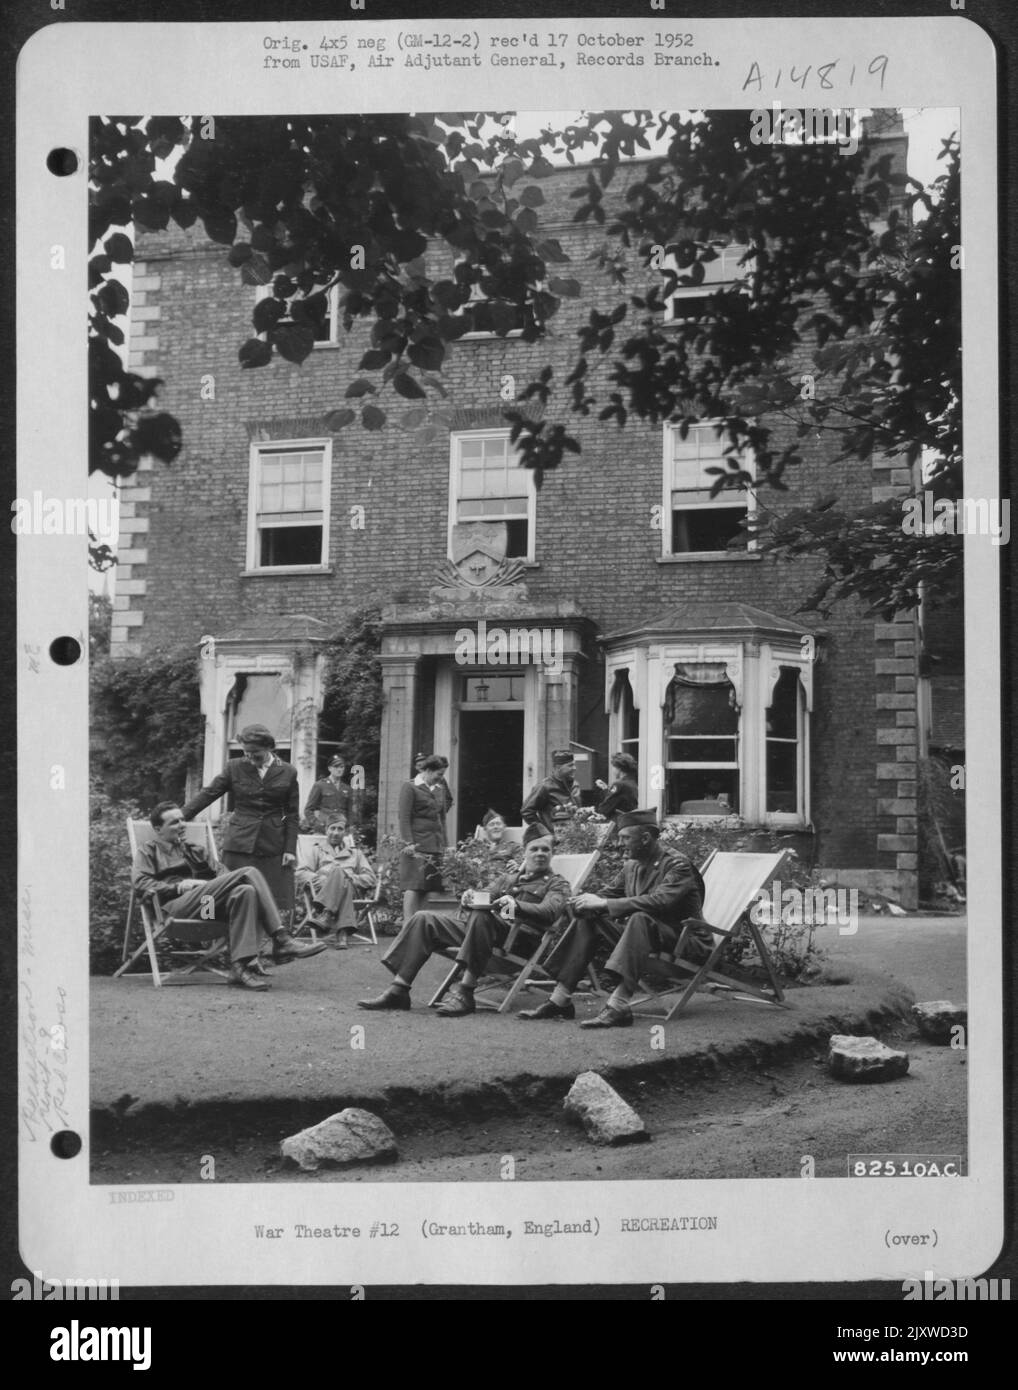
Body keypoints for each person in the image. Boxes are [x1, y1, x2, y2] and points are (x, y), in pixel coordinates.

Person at [519, 807, 712, 1027]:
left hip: (686, 943)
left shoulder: (677, 865)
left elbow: (660, 901)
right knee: (589, 917)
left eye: (625, 838)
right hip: (650, 939)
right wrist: (583, 902)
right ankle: (560, 1000)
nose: (619, 844)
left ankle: (619, 1005)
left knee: (640, 918)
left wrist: (603, 903)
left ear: (646, 839)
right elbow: (608, 895)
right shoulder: (632, 865)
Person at [358, 825, 570, 1016]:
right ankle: (399, 990)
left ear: (552, 854)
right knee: (424, 918)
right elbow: (484, 894)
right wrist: (470, 896)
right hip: (485, 935)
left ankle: (466, 991)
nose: (540, 854)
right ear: (524, 853)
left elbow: (550, 911)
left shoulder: (557, 884)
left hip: (519, 943)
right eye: (534, 849)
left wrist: (516, 905)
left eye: (545, 850)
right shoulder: (508, 879)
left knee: (482, 914)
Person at [132, 801, 324, 990]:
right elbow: (140, 883)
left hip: (207, 910)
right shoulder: (149, 850)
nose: (182, 825)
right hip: (176, 908)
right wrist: (179, 887)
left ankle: (239, 968)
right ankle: (281, 938)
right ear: (158, 829)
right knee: (248, 872)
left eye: (183, 820)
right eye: (174, 822)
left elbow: (224, 875)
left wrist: (211, 887)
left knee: (244, 891)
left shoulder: (195, 850)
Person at [182, 724, 300, 916]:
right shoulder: (234, 767)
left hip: (273, 845)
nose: (251, 759)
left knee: (271, 900)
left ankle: (271, 942)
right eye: (247, 754)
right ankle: (225, 941)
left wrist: (290, 849)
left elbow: (292, 814)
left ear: (269, 748)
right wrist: (181, 816)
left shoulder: (288, 771)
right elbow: (209, 793)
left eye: (257, 755)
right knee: (230, 894)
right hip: (239, 843)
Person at [297, 816, 377, 949]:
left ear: (344, 832)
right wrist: (323, 880)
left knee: (341, 873)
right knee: (339, 873)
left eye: (340, 829)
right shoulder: (317, 850)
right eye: (332, 828)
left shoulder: (355, 853)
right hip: (323, 892)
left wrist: (351, 878)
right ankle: (342, 933)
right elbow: (301, 873)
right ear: (326, 831)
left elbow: (370, 878)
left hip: (351, 892)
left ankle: (327, 915)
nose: (335, 832)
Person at [397, 753, 449, 923]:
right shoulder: (410, 787)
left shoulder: (439, 790)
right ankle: (407, 924)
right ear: (427, 770)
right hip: (416, 845)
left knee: (429, 887)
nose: (440, 778)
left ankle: (420, 925)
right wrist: (408, 843)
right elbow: (404, 817)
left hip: (434, 844)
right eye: (439, 774)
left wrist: (445, 845)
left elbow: (442, 819)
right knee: (414, 885)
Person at [520, 749, 583, 837]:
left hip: (575, 838)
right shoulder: (544, 787)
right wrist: (545, 833)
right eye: (570, 765)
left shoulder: (575, 785)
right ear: (558, 768)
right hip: (555, 839)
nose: (574, 768)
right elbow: (526, 811)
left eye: (574, 764)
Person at [303, 755, 353, 833]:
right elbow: (308, 810)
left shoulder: (347, 788)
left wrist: (348, 826)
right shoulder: (320, 785)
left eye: (342, 767)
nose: (339, 769)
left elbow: (350, 811)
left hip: (341, 830)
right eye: (336, 767)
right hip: (323, 829)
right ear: (329, 768)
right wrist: (317, 824)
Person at [594, 752, 640, 822]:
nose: (613, 770)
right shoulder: (632, 783)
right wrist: (606, 789)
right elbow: (617, 800)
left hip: (617, 826)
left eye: (613, 767)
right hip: (628, 823)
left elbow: (604, 809)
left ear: (619, 768)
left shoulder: (619, 785)